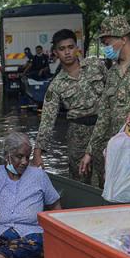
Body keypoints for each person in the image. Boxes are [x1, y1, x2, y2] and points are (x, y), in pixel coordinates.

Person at [79, 15, 130, 189]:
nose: (105, 48)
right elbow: (103, 116)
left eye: (107, 43)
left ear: (124, 39)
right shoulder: (112, 73)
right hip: (115, 150)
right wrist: (89, 151)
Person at [33, 29, 106, 183]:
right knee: (80, 179)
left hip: (103, 129)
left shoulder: (96, 65)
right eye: (62, 49)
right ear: (55, 53)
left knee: (108, 177)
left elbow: (112, 92)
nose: (67, 52)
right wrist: (38, 153)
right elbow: (47, 119)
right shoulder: (56, 85)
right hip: (77, 134)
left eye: (70, 47)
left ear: (77, 48)